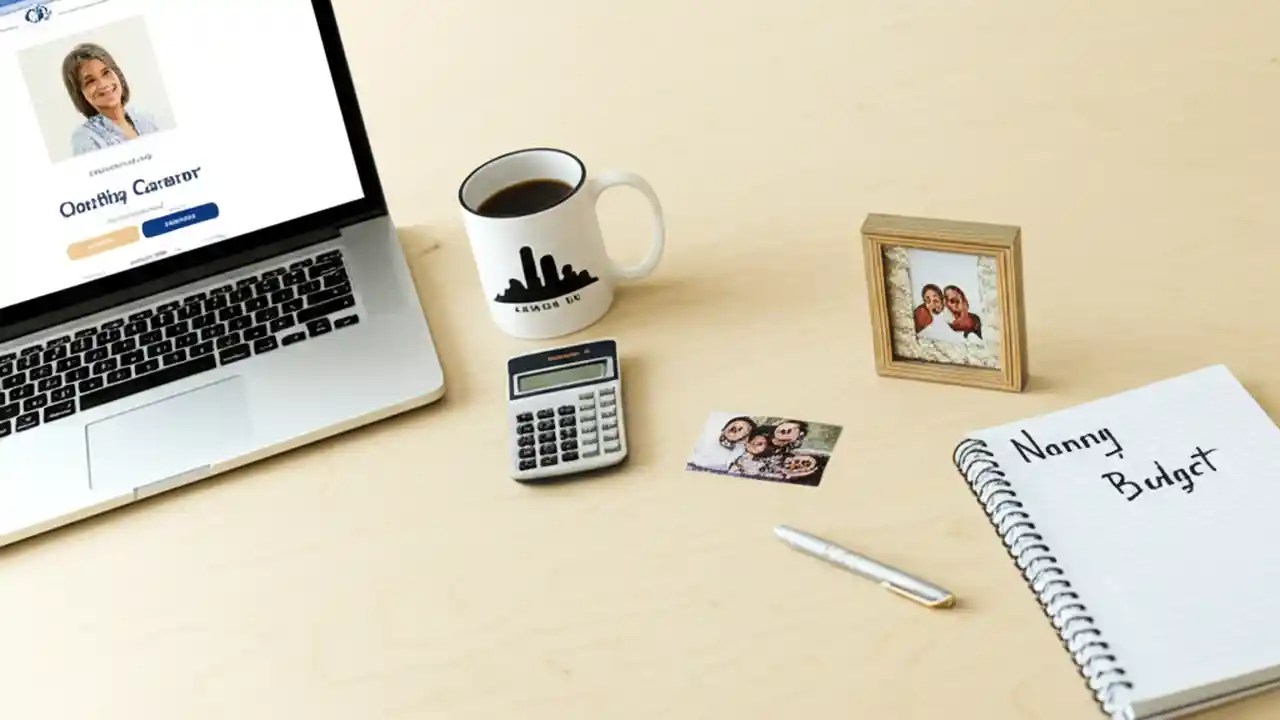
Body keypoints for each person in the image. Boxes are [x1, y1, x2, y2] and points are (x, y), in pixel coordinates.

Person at [62, 43, 161, 157]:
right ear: (80, 94)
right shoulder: (85, 138)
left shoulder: (146, 120)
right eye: (90, 81)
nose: (103, 84)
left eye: (105, 73)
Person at [687, 415, 755, 471]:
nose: (737, 427)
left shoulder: (733, 456)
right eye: (735, 424)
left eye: (740, 429)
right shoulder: (708, 428)